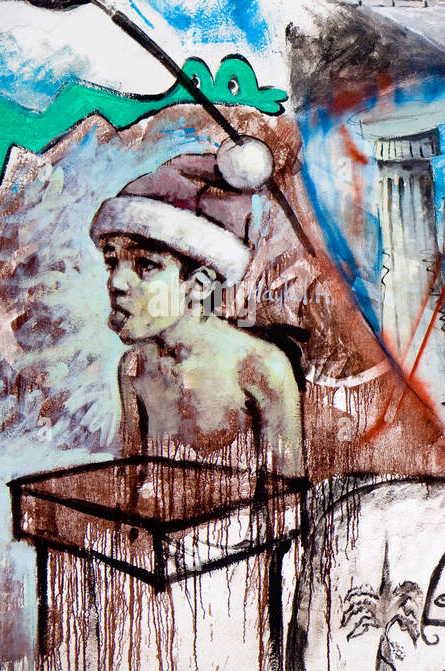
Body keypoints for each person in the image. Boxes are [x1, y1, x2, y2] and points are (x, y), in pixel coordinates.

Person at [90, 138, 304, 477]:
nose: (117, 282)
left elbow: (285, 503)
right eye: (112, 262)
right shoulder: (134, 367)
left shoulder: (261, 368)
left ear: (199, 285)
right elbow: (131, 482)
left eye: (145, 265)